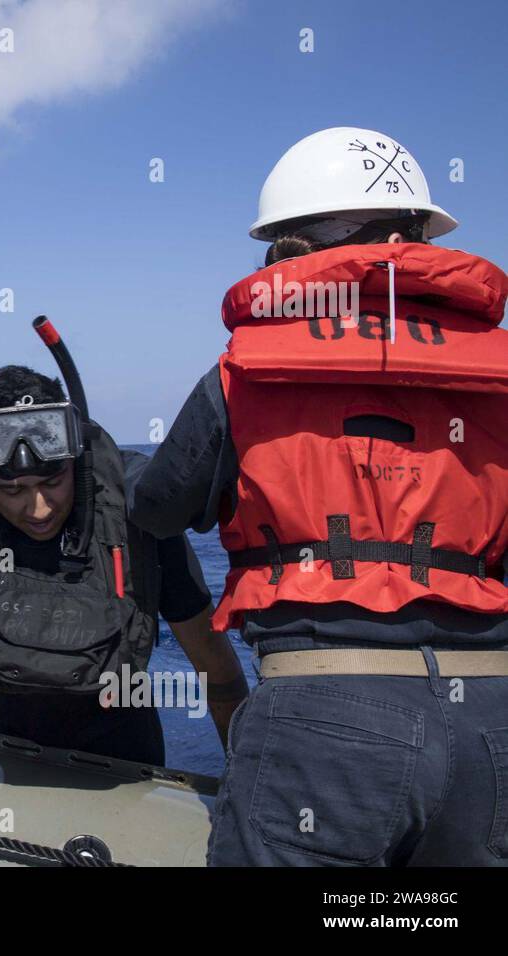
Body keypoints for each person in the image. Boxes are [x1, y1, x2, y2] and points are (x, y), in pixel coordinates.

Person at [130, 127, 508, 866]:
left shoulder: (243, 374)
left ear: (293, 254)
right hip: (493, 720)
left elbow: (158, 508)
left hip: (325, 716)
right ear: (418, 240)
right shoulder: (499, 374)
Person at [0, 351, 248, 817]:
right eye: (12, 490)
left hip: (127, 756)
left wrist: (243, 778)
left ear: (75, 459)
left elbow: (213, 663)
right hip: (14, 755)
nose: (38, 509)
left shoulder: (133, 523)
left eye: (52, 481)